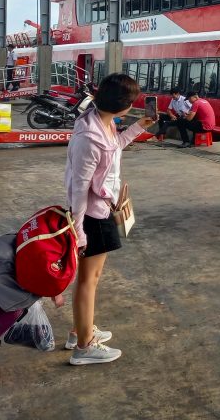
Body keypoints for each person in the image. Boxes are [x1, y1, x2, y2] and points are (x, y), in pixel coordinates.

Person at [64, 72, 154, 365]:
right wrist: (78, 231)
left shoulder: (101, 122)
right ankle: (83, 346)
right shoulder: (90, 137)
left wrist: (139, 127)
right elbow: (78, 189)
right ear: (123, 105)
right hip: (92, 216)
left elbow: (113, 150)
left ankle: (81, 329)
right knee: (89, 279)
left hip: (99, 210)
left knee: (92, 277)